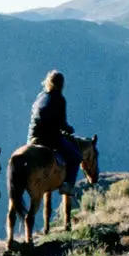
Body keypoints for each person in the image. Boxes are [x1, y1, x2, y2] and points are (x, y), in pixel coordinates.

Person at [28, 70, 82, 198]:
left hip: (33, 137)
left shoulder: (40, 96)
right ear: (61, 84)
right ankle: (68, 185)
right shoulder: (59, 99)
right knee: (76, 157)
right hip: (49, 139)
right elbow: (62, 123)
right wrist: (69, 129)